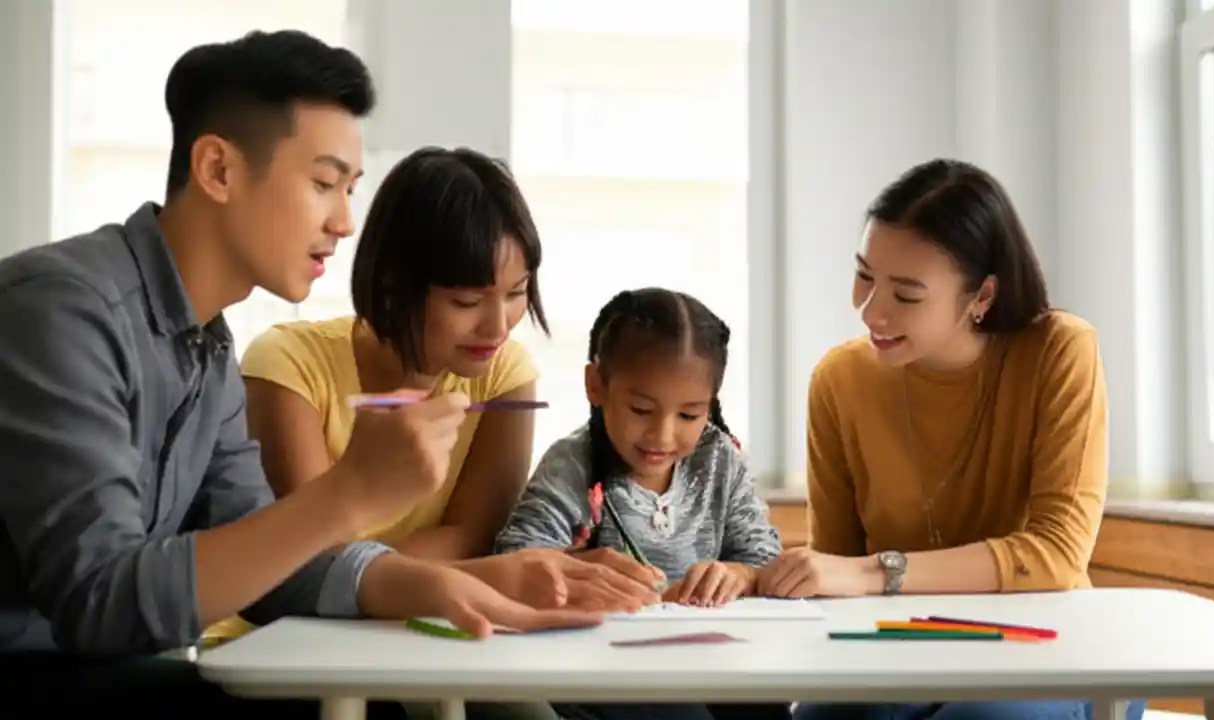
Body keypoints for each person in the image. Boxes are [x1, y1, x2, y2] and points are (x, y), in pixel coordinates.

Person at [0, 30, 599, 719]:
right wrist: (347, 494)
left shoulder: (208, 348)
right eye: (322, 183)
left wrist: (436, 588)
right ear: (219, 170)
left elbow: (267, 562)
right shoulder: (61, 310)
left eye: (350, 189)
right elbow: (97, 602)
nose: (345, 223)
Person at [223, 147, 663, 720]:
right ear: (391, 282)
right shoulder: (286, 366)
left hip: (435, 627)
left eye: (514, 293)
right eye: (465, 301)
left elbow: (476, 532)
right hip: (292, 649)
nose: (497, 324)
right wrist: (464, 577)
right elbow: (308, 564)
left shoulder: (507, 374)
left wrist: (404, 575)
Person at [756, 158, 1143, 720]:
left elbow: (1057, 554)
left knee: (986, 718)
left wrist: (874, 572)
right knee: (822, 717)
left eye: (907, 295)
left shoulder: (1060, 350)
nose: (871, 310)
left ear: (981, 296)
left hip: (1050, 642)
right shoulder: (840, 379)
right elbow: (836, 564)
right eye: (864, 276)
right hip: (904, 646)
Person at [497, 287, 788, 720]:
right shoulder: (572, 465)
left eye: (689, 415)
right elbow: (513, 560)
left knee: (765, 711)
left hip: (711, 659)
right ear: (595, 385)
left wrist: (738, 574)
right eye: (640, 409)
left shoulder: (719, 457)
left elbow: (765, 557)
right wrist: (583, 570)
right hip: (605, 668)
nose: (663, 436)